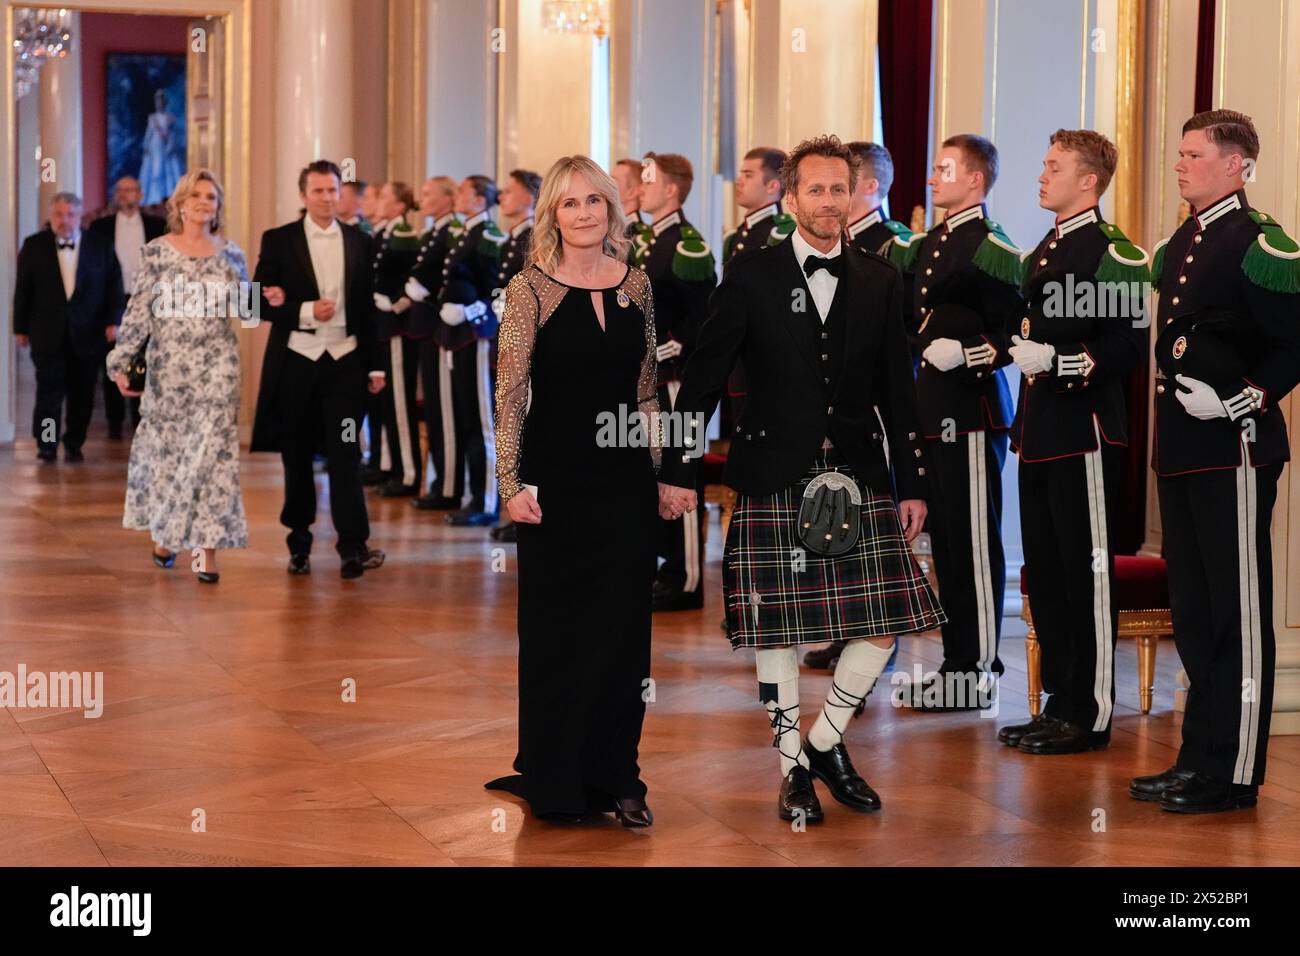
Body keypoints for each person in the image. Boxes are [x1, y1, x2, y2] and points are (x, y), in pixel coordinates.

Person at [659, 135, 944, 821]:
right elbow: (700, 382)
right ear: (790, 200)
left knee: (883, 625)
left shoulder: (881, 279)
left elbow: (899, 396)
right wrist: (678, 470)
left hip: (856, 472)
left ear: (854, 194)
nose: (827, 201)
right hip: (770, 470)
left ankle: (823, 741)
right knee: (776, 632)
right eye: (813, 189)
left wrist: (913, 483)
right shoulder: (751, 276)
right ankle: (792, 771)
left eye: (838, 189)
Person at [1130, 110, 1300, 813]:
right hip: (1184, 452)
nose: (1180, 164)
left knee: (1236, 615)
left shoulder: (1258, 242)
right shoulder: (1185, 240)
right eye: (1179, 153)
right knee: (1195, 615)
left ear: (1235, 164)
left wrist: (1241, 403)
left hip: (1234, 450)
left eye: (1193, 155)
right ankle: (1197, 759)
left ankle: (1233, 773)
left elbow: (1293, 342)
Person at [485, 154, 660, 827]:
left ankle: (619, 775)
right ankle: (555, 774)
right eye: (569, 203)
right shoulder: (528, 289)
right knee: (557, 632)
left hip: (624, 484)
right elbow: (510, 392)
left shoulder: (638, 285)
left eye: (594, 201)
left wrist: (665, 475)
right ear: (551, 215)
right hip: (554, 482)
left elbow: (647, 391)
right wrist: (509, 481)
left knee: (622, 635)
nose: (584, 213)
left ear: (611, 209)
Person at [998, 129, 1148, 755]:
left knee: (1086, 577)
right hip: (1038, 433)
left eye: (1053, 166)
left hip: (1083, 435)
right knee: (1051, 572)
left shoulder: (1110, 253)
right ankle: (1059, 702)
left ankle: (1089, 713)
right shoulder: (1046, 248)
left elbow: (1128, 347)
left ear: (1088, 181)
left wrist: (1059, 362)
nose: (1041, 175)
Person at [892, 134, 1022, 710]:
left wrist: (966, 353)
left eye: (944, 168)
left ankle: (979, 670)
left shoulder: (992, 245)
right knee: (947, 543)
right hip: (932, 407)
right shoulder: (934, 241)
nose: (932, 177)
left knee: (971, 544)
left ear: (975, 179)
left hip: (971, 412)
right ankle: (956, 663)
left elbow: (1015, 333)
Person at [104, 169, 247, 583]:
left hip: (219, 370)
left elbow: (247, 313)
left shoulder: (230, 253)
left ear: (218, 206)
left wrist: (263, 296)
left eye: (212, 196)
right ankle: (166, 535)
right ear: (181, 204)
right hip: (170, 372)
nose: (205, 202)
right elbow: (138, 313)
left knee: (213, 461)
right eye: (197, 195)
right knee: (172, 457)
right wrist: (121, 362)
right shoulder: (158, 253)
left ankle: (206, 552)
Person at [250, 159, 388, 580]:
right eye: (318, 191)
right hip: (296, 363)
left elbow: (367, 307)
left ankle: (353, 546)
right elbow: (252, 303)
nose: (328, 198)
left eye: (333, 191)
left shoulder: (360, 241)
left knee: (346, 453)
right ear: (303, 196)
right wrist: (305, 310)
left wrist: (377, 365)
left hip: (345, 364)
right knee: (297, 456)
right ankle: (299, 543)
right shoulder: (278, 240)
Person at [637, 151, 717, 612]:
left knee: (680, 472)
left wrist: (672, 345)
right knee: (654, 473)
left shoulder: (687, 244)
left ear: (671, 190)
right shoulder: (651, 241)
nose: (640, 188)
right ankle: (667, 567)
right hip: (649, 380)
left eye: (649, 181)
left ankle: (687, 579)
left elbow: (707, 315)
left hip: (675, 380)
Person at [13, 192, 124, 462]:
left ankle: (74, 442)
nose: (65, 220)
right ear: (51, 217)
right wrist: (20, 327)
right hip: (47, 333)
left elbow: (114, 287)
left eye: (70, 214)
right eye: (59, 215)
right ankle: (47, 444)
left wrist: (114, 321)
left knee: (82, 395)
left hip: (89, 333)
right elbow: (23, 289)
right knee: (49, 395)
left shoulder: (101, 245)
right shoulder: (34, 246)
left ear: (80, 216)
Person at [436, 175, 505, 527]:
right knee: (466, 418)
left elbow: (497, 290)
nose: (458, 196)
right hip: (457, 335)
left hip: (477, 334)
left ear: (480, 200)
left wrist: (469, 311)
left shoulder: (489, 235)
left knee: (481, 422)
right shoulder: (466, 231)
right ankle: (472, 495)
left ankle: (487, 501)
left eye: (464, 191)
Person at [487, 168, 541, 544]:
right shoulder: (513, 236)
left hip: (524, 343)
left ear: (529, 196)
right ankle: (511, 500)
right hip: (506, 337)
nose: (501, 197)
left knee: (521, 422)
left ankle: (519, 499)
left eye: (509, 191)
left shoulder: (532, 236)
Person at [721, 146, 792, 432]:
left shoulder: (780, 232)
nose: (739, 180)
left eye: (748, 175)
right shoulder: (738, 235)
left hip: (768, 362)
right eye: (740, 174)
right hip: (741, 359)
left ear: (773, 185)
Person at [89, 176, 166, 438]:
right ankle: (113, 419)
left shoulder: (158, 225)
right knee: (114, 355)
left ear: (140, 194)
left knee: (144, 355)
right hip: (113, 297)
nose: (126, 195)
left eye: (130, 190)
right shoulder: (100, 227)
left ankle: (139, 416)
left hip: (147, 297)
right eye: (121, 190)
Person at [404, 176, 463, 511]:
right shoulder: (435, 232)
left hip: (440, 328)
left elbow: (447, 279)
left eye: (429, 194)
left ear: (448, 199)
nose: (422, 198)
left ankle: (448, 484)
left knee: (445, 412)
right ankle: (440, 481)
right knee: (436, 411)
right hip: (428, 327)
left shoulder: (450, 232)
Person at [371, 181, 423, 497]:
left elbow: (410, 278)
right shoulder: (385, 232)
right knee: (387, 401)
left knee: (400, 402)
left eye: (385, 197)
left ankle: (408, 473)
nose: (379, 201)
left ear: (400, 205)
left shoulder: (403, 234)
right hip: (381, 324)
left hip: (396, 324)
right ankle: (391, 466)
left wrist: (395, 302)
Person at [138, 89, 185, 206]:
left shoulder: (170, 117)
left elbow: (173, 135)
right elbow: (148, 134)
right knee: (155, 172)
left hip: (166, 148)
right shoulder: (152, 118)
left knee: (168, 173)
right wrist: (146, 147)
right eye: (157, 101)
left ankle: (167, 199)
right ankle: (154, 197)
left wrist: (170, 146)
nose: (159, 103)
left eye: (161, 100)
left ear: (165, 102)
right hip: (155, 147)